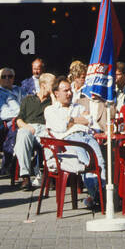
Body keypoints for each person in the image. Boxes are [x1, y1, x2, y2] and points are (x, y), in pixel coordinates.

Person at [44, 78, 105, 210]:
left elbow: (89, 121)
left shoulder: (79, 107)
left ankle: (101, 192)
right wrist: (79, 120)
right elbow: (61, 127)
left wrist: (70, 120)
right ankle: (99, 196)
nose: (70, 93)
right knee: (87, 165)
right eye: (65, 91)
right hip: (70, 140)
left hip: (87, 136)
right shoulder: (50, 110)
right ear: (56, 93)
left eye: (70, 90)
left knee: (100, 163)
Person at [14, 72, 54, 188]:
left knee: (52, 136)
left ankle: (50, 174)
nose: (55, 87)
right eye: (53, 85)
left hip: (45, 128)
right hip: (29, 127)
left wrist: (53, 96)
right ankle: (25, 176)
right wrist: (26, 127)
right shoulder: (28, 99)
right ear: (43, 85)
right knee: (23, 134)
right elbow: (19, 119)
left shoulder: (52, 102)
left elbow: (58, 114)